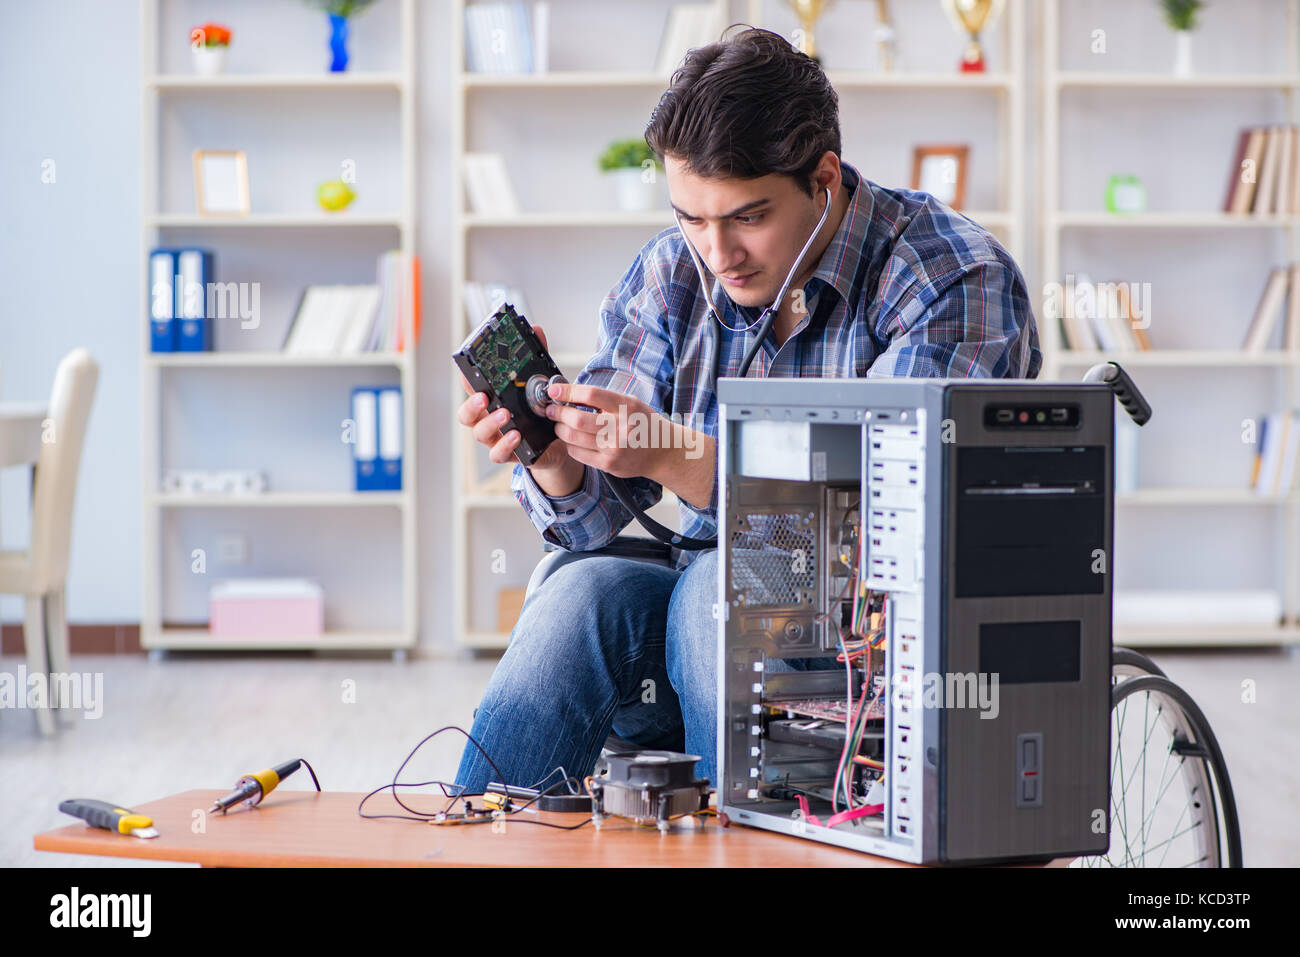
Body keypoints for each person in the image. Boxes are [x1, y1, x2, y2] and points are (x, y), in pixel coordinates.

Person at [453, 26, 1040, 794]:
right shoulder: (672, 272)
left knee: (714, 589)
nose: (716, 252)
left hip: (878, 647)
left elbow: (891, 524)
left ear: (823, 176)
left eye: (746, 217)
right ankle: (472, 834)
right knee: (581, 593)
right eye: (692, 218)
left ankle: (739, 842)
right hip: (699, 641)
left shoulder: (949, 281)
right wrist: (558, 458)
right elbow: (590, 521)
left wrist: (676, 456)